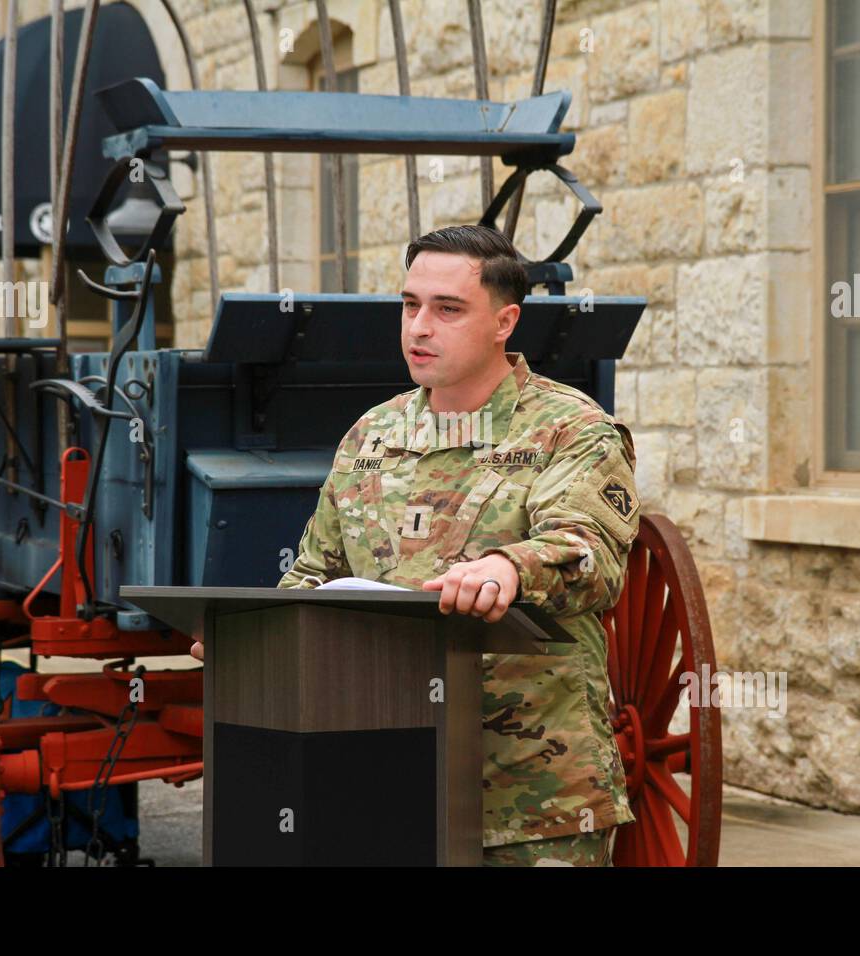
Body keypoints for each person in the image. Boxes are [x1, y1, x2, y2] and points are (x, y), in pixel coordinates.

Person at [191, 223, 639, 866]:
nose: (419, 327)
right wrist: (253, 638)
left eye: (448, 309)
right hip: (380, 772)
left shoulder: (572, 430)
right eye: (410, 305)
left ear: (504, 321)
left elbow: (588, 553)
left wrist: (508, 566)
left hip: (528, 792)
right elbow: (315, 573)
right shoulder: (371, 435)